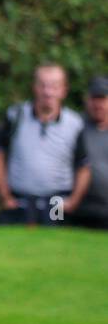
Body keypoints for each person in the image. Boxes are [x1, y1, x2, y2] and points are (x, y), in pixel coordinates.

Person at [0, 63, 83, 226]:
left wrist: (73, 201)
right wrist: (4, 195)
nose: (48, 92)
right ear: (35, 87)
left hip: (57, 201)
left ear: (63, 90)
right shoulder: (15, 115)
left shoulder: (75, 123)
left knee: (56, 244)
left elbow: (84, 165)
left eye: (54, 86)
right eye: (43, 86)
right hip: (20, 199)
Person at [66, 76, 108, 230]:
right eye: (94, 99)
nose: (98, 105)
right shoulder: (74, 126)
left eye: (102, 99)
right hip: (77, 208)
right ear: (86, 100)